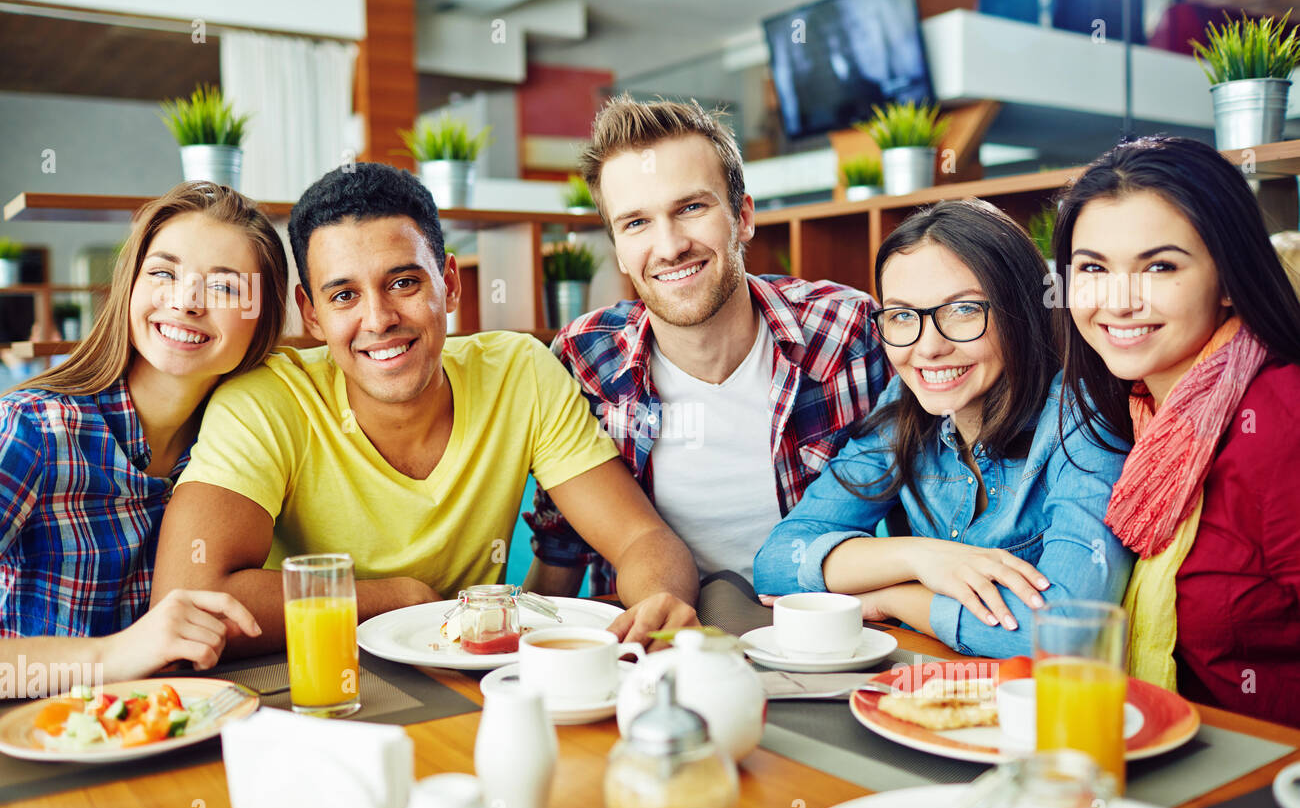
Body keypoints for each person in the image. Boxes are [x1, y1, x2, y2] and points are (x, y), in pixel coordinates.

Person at [151, 162, 699, 650]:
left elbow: (640, 537)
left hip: (464, 681)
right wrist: (397, 598)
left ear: (450, 285)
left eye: (404, 282)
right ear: (311, 313)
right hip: (310, 688)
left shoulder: (518, 371)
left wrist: (659, 601)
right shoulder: (267, 400)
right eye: (343, 295)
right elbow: (186, 595)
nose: (379, 318)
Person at [525, 95, 890, 598]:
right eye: (636, 223)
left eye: (691, 208)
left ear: (742, 217)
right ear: (620, 254)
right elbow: (560, 552)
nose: (670, 245)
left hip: (827, 644)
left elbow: (922, 514)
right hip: (656, 651)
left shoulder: (849, 332)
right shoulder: (583, 359)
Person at [753, 199, 1133, 658]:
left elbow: (1066, 632)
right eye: (901, 315)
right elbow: (776, 561)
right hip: (931, 693)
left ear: (1024, 310)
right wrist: (920, 557)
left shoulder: (1080, 416)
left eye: (963, 310)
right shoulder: (904, 409)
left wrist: (894, 598)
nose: (928, 348)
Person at [0, 183, 287, 691]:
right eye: (163, 273)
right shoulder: (34, 430)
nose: (186, 302)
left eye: (223, 288)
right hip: (41, 746)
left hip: (178, 734)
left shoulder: (237, 452)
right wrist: (118, 652)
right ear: (130, 286)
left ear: (262, 319)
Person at [1056, 135, 1300, 725]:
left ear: (1228, 279)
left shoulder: (1282, 418)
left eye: (1159, 266)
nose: (1119, 300)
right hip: (1168, 756)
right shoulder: (1126, 416)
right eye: (1093, 268)